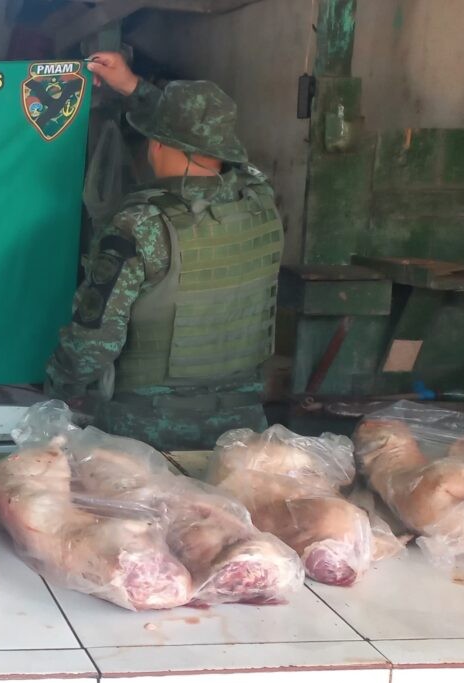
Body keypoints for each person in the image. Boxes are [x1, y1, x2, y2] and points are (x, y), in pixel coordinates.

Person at [44, 52, 284, 451]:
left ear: (156, 145)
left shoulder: (140, 223)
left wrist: (56, 395)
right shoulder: (260, 197)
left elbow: (93, 344)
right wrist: (133, 87)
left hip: (148, 433)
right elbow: (205, 138)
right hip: (243, 431)